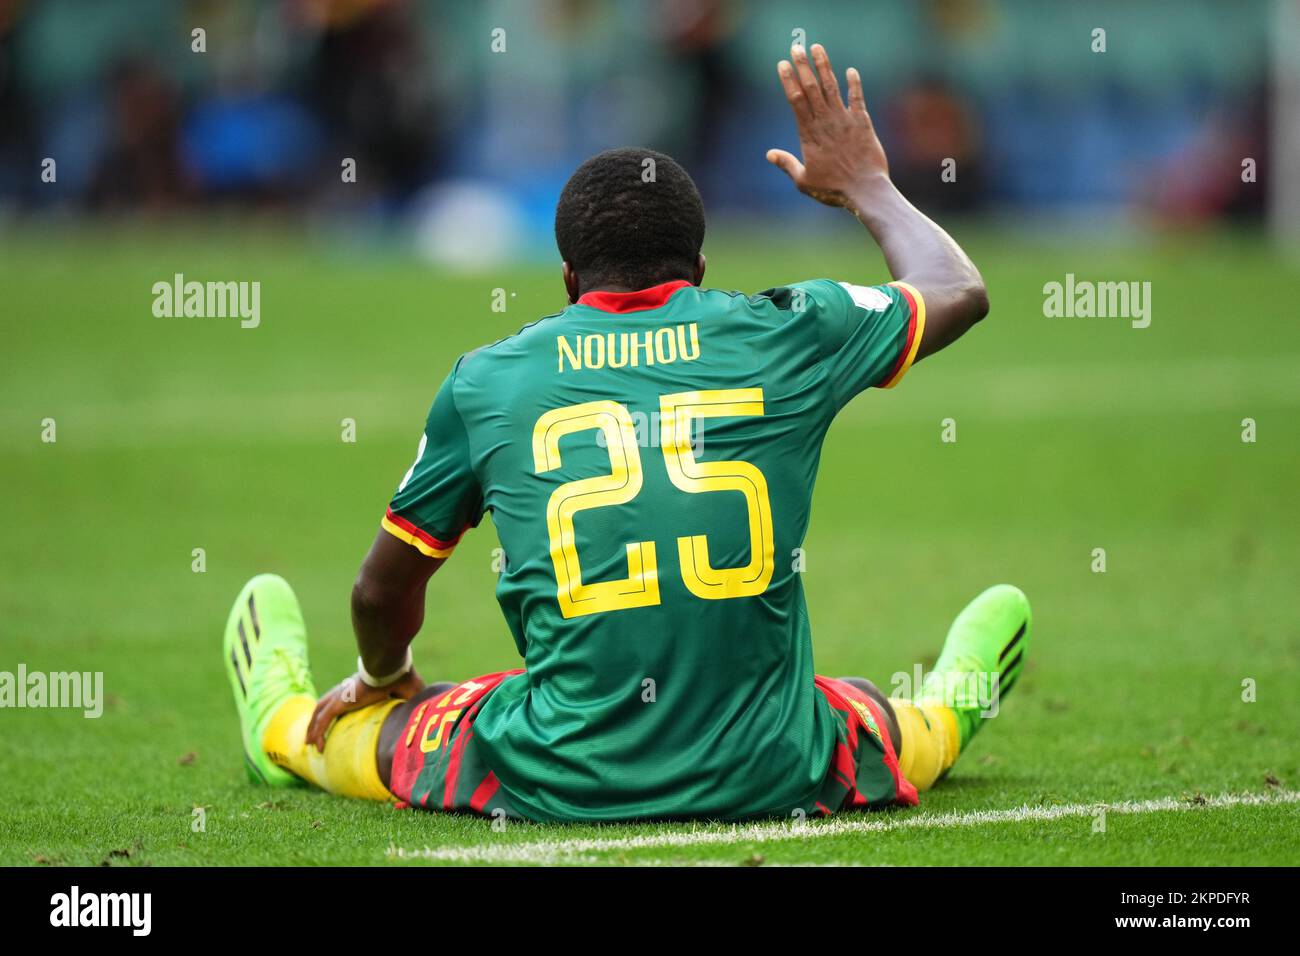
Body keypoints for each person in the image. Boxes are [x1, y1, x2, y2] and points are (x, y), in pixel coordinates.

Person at [223, 43, 1029, 822]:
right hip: (769, 766)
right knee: (863, 714)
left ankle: (278, 724)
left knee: (393, 727)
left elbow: (379, 591)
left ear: (568, 278)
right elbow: (957, 286)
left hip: (560, 772)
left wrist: (383, 673)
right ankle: (956, 699)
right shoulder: (789, 332)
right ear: (702, 267)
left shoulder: (489, 380)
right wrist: (870, 187)